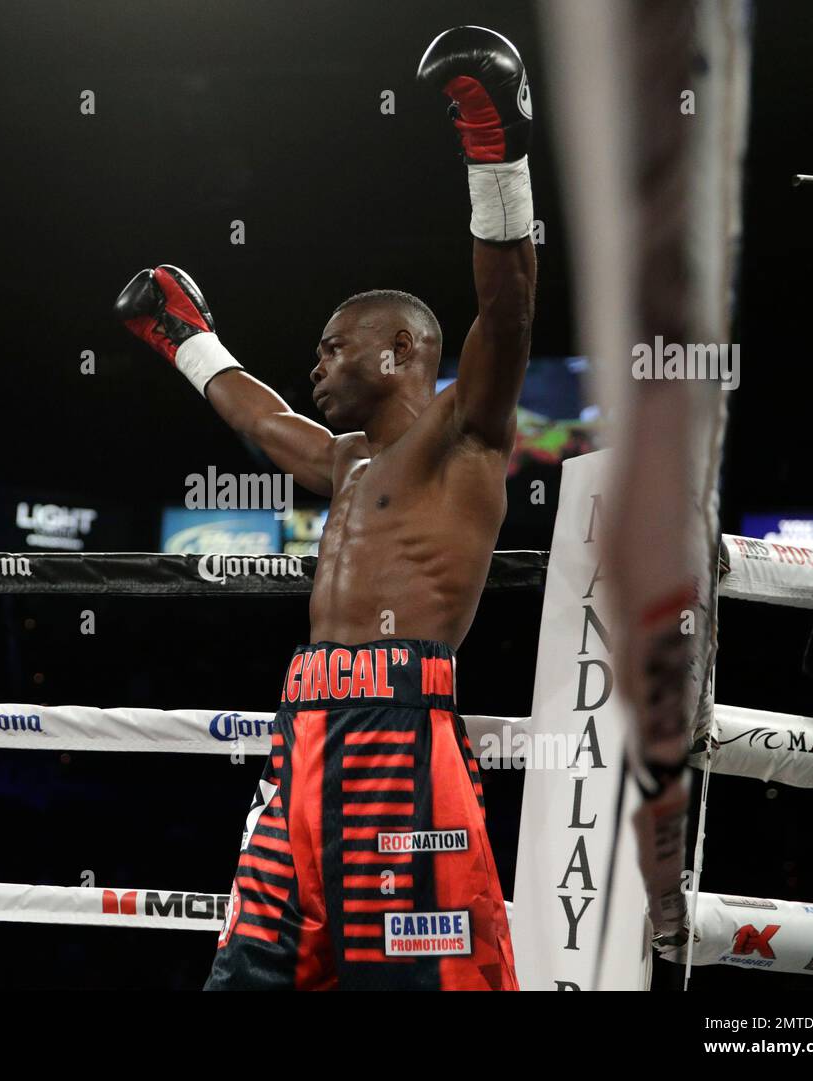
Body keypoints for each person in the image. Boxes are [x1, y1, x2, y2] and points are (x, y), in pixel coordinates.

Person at [116, 26, 535, 990]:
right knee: (256, 970)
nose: (316, 365)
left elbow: (507, 307)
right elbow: (261, 422)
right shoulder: (346, 460)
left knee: (420, 977)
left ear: (398, 351)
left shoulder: (466, 435)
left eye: (333, 347)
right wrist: (184, 336)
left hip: (399, 725)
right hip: (302, 729)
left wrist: (492, 138)